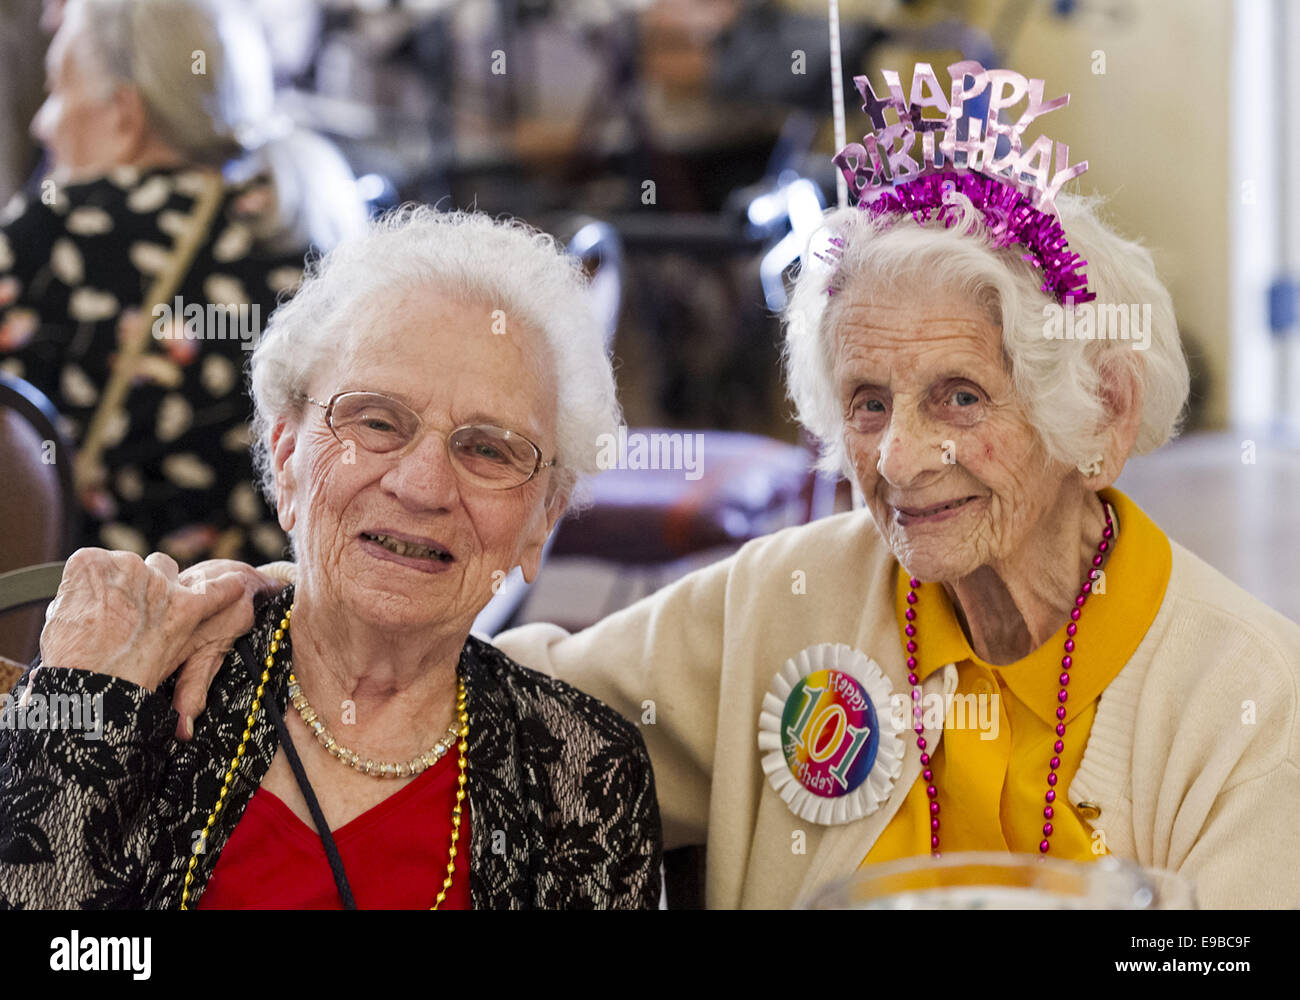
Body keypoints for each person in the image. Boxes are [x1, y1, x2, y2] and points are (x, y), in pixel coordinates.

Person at [87, 61, 1300, 909]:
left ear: (1101, 415)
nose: (896, 458)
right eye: (866, 403)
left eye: (960, 398)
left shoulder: (1249, 697)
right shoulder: (797, 595)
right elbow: (520, 689)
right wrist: (281, 599)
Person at [0, 207, 661, 909]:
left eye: (488, 450)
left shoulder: (582, 774)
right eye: (376, 421)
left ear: (543, 521)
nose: (423, 487)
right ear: (286, 458)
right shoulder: (140, 691)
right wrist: (85, 705)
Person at [0, 0, 366, 566]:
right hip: (280, 609)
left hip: (99, 613)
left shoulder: (45, 235)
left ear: (125, 116)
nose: (41, 123)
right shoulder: (304, 227)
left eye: (56, 90)